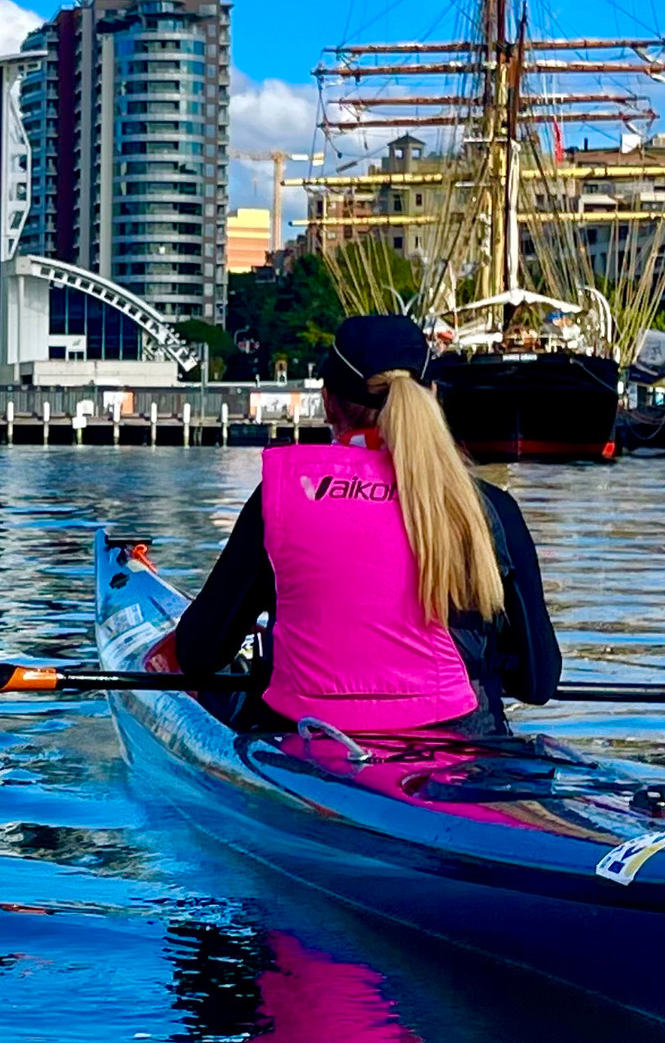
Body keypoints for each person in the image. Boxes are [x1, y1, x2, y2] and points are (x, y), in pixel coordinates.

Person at [170, 312, 561, 733]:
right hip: (464, 755)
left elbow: (199, 654)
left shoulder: (281, 496)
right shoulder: (490, 507)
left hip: (307, 748)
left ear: (327, 401)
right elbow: (538, 682)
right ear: (432, 395)